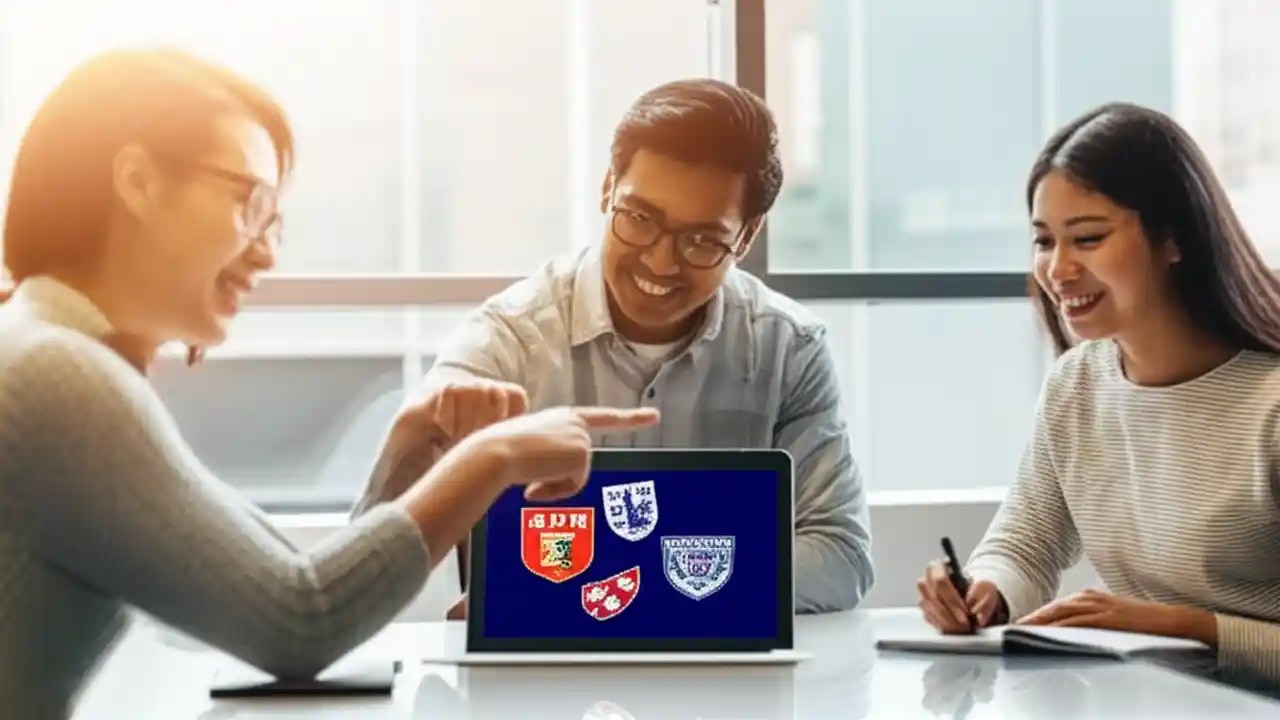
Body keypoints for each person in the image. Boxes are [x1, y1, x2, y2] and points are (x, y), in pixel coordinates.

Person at [0, 49, 656, 718]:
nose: (266, 252)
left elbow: (283, 587)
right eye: (249, 202)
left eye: (274, 222)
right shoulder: (57, 375)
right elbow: (300, 622)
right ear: (137, 180)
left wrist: (405, 462)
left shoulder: (44, 348)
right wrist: (491, 459)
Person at [354, 78, 874, 615]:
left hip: (727, 679)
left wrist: (614, 596)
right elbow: (359, 578)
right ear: (608, 189)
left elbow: (841, 552)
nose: (661, 262)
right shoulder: (508, 337)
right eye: (640, 219)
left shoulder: (789, 349)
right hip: (536, 689)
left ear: (745, 236)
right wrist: (413, 437)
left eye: (701, 240)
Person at [916, 102, 1280, 687]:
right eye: (1043, 241)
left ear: (1175, 239)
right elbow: (1028, 543)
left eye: (1087, 238)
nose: (1058, 269)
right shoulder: (1078, 382)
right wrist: (983, 592)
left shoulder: (1270, 404)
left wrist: (1190, 627)